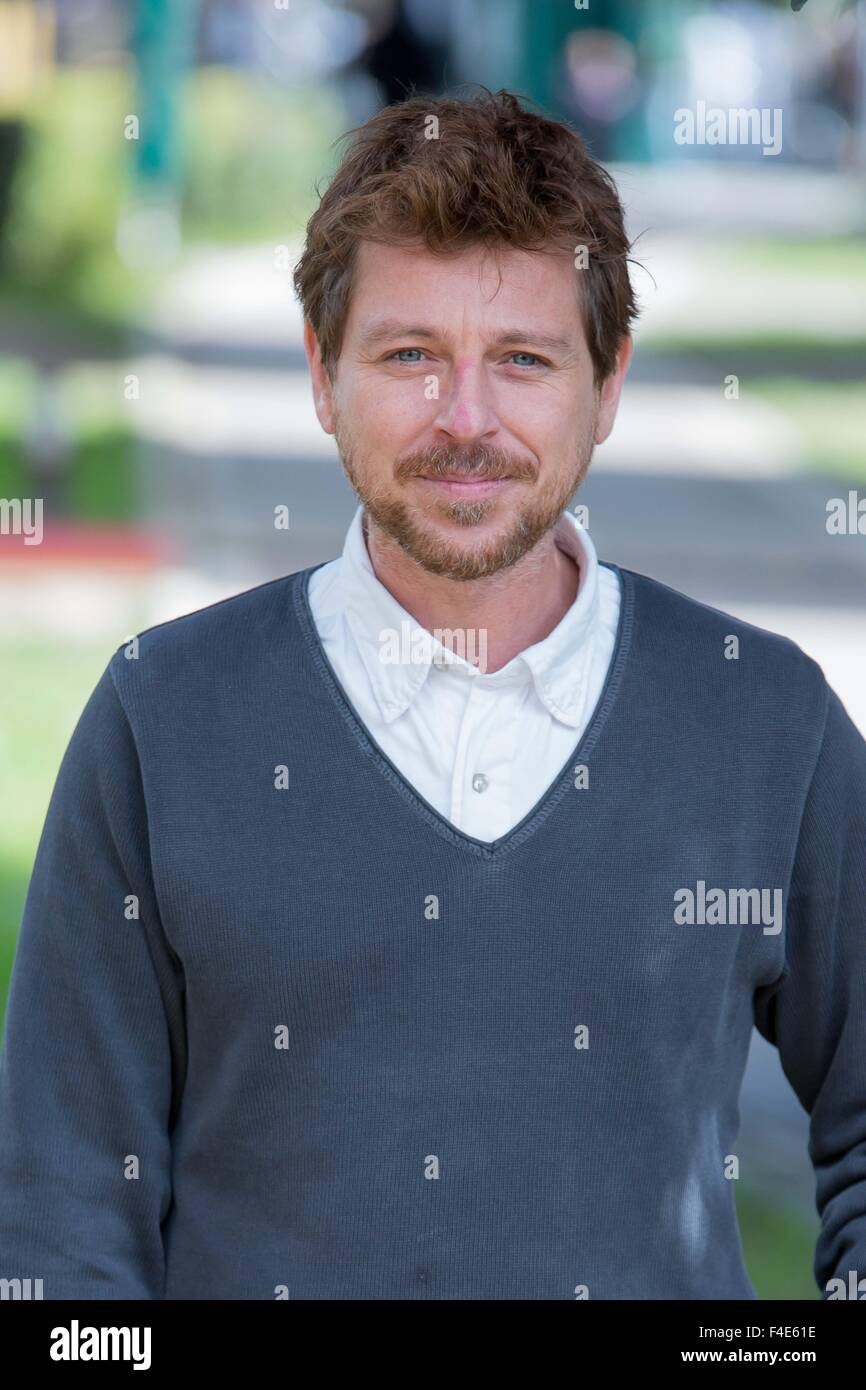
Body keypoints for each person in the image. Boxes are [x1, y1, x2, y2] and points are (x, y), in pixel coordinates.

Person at [1, 88, 864, 1301]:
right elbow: (61, 1214)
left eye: (522, 360)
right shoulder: (163, 720)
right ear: (322, 375)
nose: (466, 421)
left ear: (606, 384)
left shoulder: (764, 721)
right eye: (409, 356)